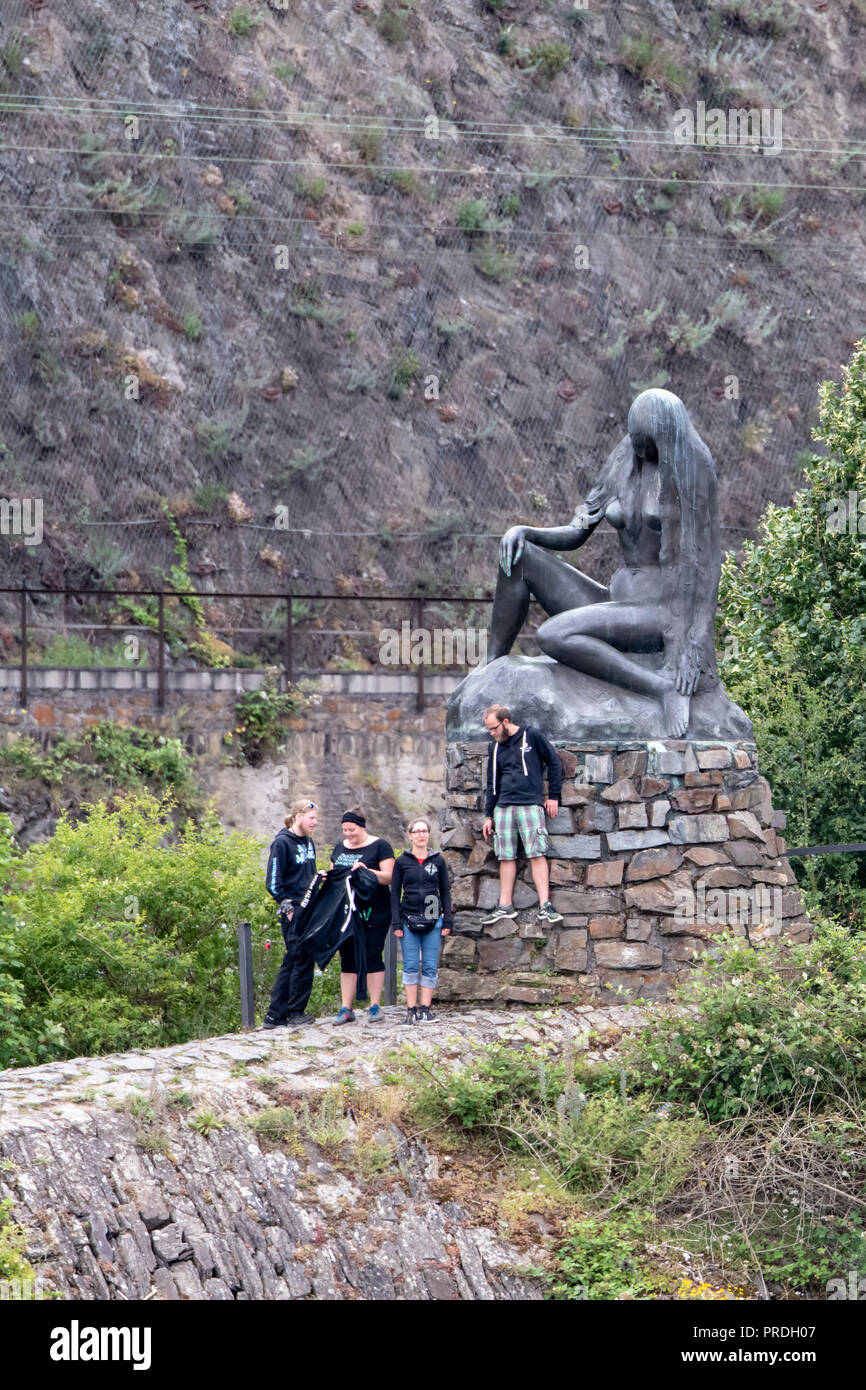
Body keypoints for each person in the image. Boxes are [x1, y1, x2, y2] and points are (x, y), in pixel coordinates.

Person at [488, 388, 721, 739]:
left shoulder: (693, 468)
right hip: (614, 601)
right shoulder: (625, 455)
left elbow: (708, 566)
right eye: (636, 441)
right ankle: (490, 669)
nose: (640, 451)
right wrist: (526, 531)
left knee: (552, 634)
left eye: (648, 444)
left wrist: (695, 642)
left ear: (666, 436)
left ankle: (660, 688)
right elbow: (578, 529)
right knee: (517, 561)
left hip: (660, 611)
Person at [481, 705, 564, 925]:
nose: (491, 733)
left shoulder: (532, 736)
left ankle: (545, 905)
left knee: (537, 853)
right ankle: (505, 905)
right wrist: (489, 815)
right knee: (505, 856)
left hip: (530, 804)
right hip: (504, 807)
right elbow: (492, 783)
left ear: (506, 722)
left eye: (493, 728)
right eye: (488, 730)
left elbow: (554, 762)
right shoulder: (495, 747)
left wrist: (554, 795)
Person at [329, 809, 395, 1024]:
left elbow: (389, 877)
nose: (348, 834)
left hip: (375, 910)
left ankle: (374, 1005)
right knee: (347, 956)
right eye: (344, 830)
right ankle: (346, 1008)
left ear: (362, 827)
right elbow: (333, 877)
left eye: (352, 830)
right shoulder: (340, 848)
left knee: (372, 953)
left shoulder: (380, 846)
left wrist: (367, 871)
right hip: (347, 912)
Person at [261, 799, 320, 1029]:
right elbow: (273, 882)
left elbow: (308, 874)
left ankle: (276, 1015)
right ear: (299, 816)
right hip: (293, 913)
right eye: (311, 818)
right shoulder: (282, 843)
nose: (315, 823)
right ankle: (294, 1013)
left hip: (309, 909)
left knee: (295, 959)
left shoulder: (309, 842)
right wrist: (288, 908)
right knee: (300, 959)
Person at [391, 817, 452, 1025]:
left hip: (433, 920)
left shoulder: (438, 860)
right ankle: (411, 1009)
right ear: (410, 835)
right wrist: (397, 922)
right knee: (409, 965)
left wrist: (447, 921)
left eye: (424, 831)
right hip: (408, 920)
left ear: (428, 834)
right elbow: (394, 893)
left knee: (429, 965)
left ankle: (425, 1009)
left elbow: (444, 891)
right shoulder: (401, 862)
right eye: (416, 831)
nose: (421, 835)